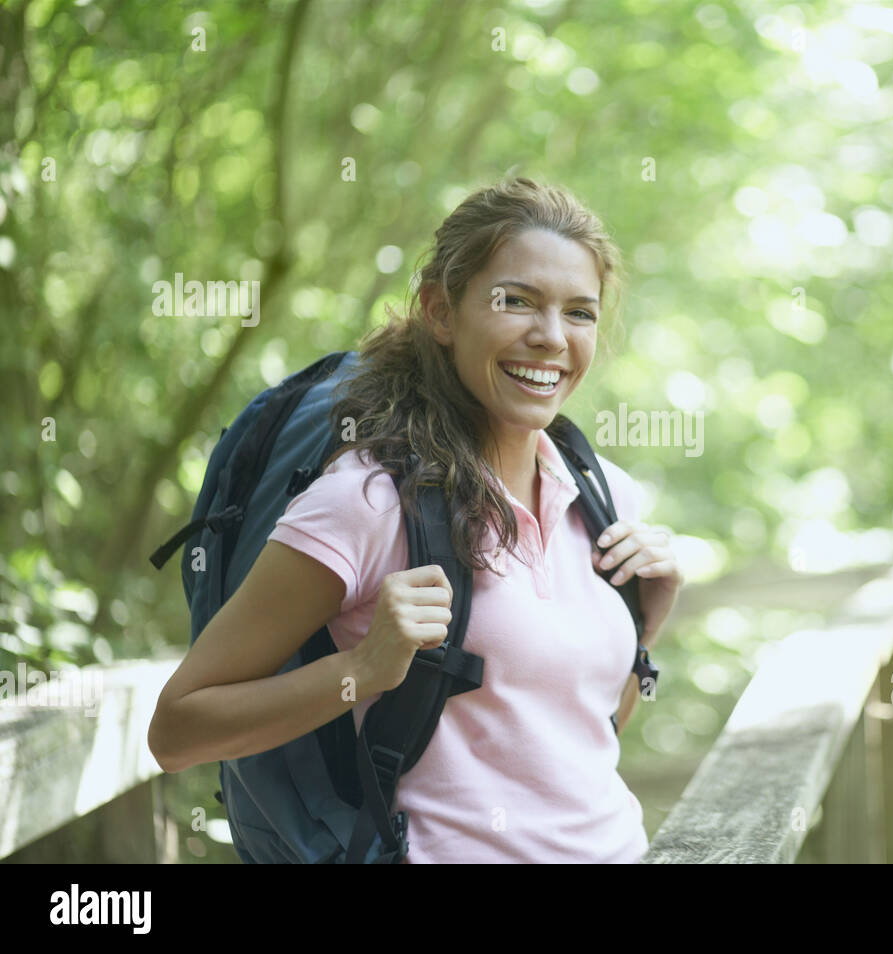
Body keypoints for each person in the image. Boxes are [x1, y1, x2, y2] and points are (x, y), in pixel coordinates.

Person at [148, 176, 683, 863]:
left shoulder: (605, 493)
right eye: (515, 301)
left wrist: (646, 627)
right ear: (440, 310)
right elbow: (177, 732)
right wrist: (365, 668)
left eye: (579, 313)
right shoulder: (367, 501)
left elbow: (581, 734)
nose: (551, 337)